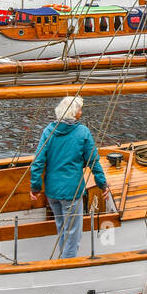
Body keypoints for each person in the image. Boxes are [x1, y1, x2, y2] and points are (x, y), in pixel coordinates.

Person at [30, 96, 112, 259]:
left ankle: (63, 259)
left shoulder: (49, 131)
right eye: (80, 110)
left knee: (62, 229)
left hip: (52, 192)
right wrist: (103, 185)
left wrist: (35, 187)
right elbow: (93, 162)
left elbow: (38, 162)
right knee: (73, 236)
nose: (81, 112)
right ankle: (68, 267)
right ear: (74, 114)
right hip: (71, 193)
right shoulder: (82, 132)